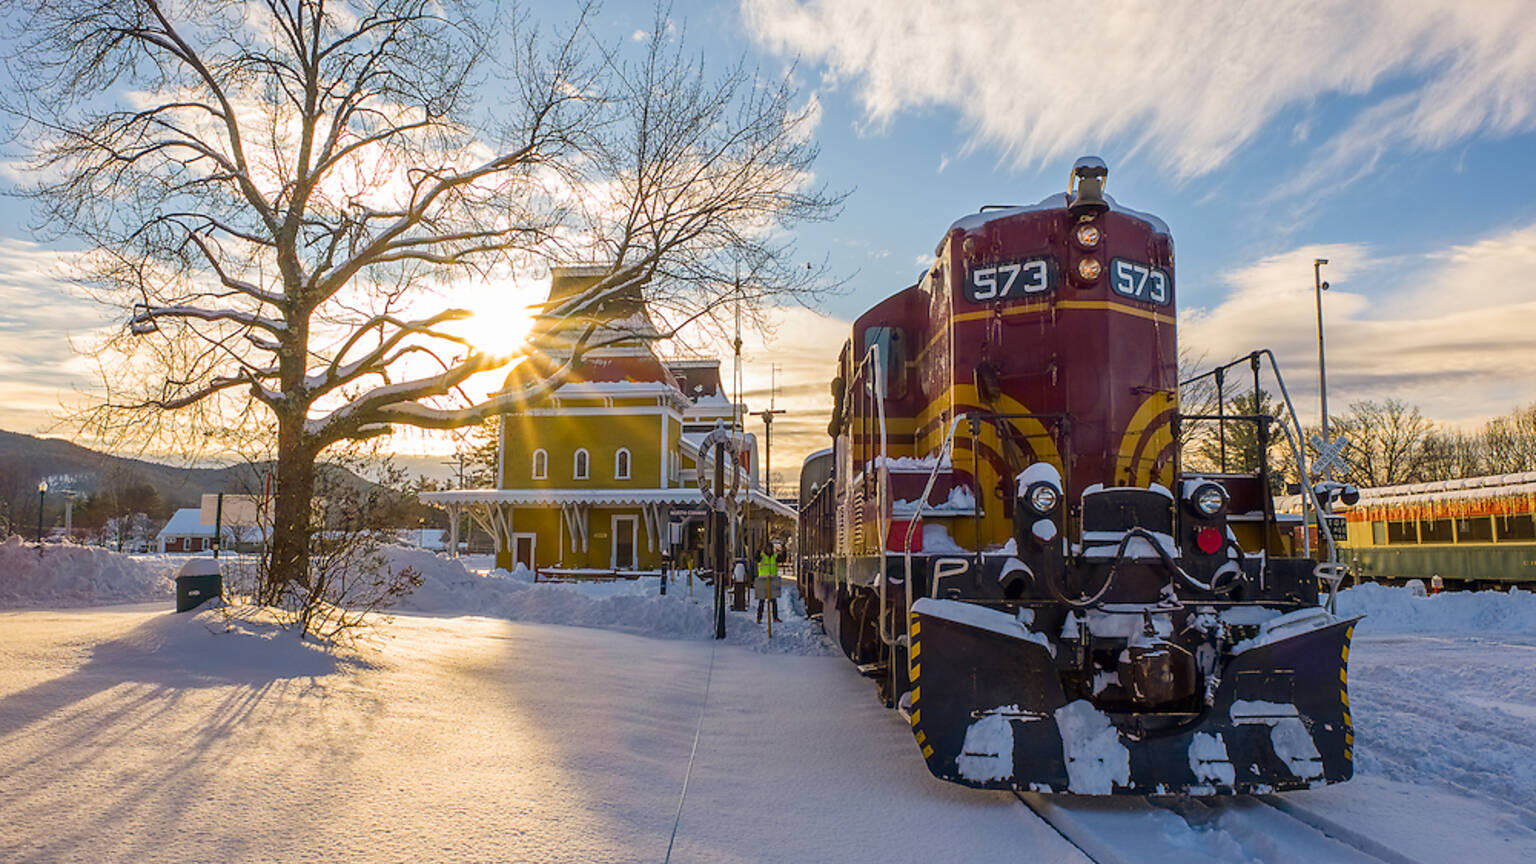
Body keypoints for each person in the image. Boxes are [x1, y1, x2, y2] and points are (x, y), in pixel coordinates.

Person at [756, 539, 783, 623]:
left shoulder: (774, 556)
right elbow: (756, 558)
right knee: (762, 600)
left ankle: (775, 617)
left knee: (774, 600)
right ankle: (759, 618)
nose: (769, 550)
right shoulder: (762, 556)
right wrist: (758, 549)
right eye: (767, 548)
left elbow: (782, 558)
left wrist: (783, 549)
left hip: (772, 580)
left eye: (770, 548)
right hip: (763, 580)